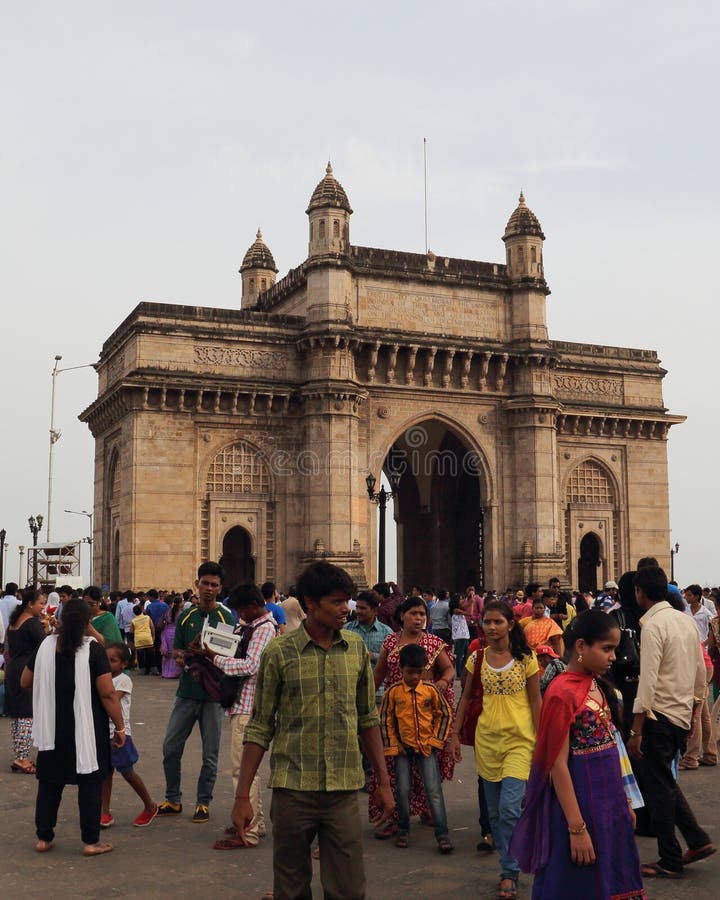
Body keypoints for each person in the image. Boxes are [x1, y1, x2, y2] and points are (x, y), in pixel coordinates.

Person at [232, 562, 394, 900]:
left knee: (349, 889)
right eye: (336, 602)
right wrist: (242, 795)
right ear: (310, 603)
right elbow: (260, 726)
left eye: (347, 601)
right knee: (290, 888)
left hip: (343, 789)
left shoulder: (355, 652)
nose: (346, 609)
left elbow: (367, 719)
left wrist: (383, 781)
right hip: (293, 789)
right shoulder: (279, 653)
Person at [510, 610, 645, 899]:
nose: (612, 657)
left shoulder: (595, 683)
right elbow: (556, 765)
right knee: (578, 879)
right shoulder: (561, 693)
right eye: (606, 649)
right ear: (581, 647)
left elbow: (613, 749)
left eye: (614, 649)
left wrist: (624, 802)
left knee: (609, 875)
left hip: (608, 798)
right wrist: (576, 828)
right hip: (580, 801)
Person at [627, 565, 715, 879]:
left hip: (657, 716)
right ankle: (698, 839)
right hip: (679, 715)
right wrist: (693, 712)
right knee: (665, 781)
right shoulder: (686, 621)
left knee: (657, 789)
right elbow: (701, 672)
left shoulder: (652, 626)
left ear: (640, 592)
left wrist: (636, 729)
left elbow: (647, 683)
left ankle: (670, 859)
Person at [450, 600, 541, 900]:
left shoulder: (527, 658)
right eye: (487, 622)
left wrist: (543, 739)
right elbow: (464, 699)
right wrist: (453, 735)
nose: (491, 627)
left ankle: (510, 870)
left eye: (497, 622)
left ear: (510, 625)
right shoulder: (476, 658)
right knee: (495, 813)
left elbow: (535, 702)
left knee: (509, 809)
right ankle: (511, 861)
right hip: (487, 740)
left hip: (520, 739)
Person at [22, 597, 125, 856]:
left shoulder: (46, 647)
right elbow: (108, 693)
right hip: (87, 728)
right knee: (90, 782)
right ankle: (91, 841)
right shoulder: (93, 650)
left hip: (53, 727)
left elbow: (25, 681)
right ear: (87, 622)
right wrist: (120, 726)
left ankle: (43, 838)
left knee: (49, 783)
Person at [197, 583, 276, 851]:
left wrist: (215, 658)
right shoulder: (253, 627)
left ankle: (249, 831)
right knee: (247, 772)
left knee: (243, 772)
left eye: (241, 610)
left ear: (252, 606)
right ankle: (256, 822)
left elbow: (251, 666)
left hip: (249, 708)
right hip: (242, 706)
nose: (240, 615)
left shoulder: (264, 629)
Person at [371, 595, 455, 838]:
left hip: (425, 715)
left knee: (427, 769)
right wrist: (366, 704)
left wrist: (442, 682)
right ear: (401, 616)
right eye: (413, 614)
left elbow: (449, 668)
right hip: (396, 714)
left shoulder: (433, 642)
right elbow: (379, 674)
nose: (418, 619)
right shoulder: (390, 642)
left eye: (422, 615)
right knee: (396, 770)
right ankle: (396, 817)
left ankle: (429, 809)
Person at [158, 561, 234, 823]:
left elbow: (228, 656)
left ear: (220, 588)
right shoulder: (186, 617)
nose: (209, 589)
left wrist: (208, 655)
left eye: (214, 585)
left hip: (212, 696)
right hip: (187, 692)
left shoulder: (226, 618)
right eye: (205, 584)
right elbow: (176, 652)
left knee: (210, 755)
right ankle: (173, 798)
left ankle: (203, 802)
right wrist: (184, 656)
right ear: (197, 584)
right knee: (170, 748)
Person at [379, 643, 453, 853]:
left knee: (434, 791)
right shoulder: (393, 692)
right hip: (402, 749)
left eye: (419, 672)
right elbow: (385, 720)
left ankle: (442, 833)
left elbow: (444, 715)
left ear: (425, 670)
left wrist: (436, 741)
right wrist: (394, 745)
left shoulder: (430, 690)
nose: (414, 677)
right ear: (401, 668)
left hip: (427, 747)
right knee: (402, 790)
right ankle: (403, 829)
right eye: (410, 672)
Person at [100, 643, 158, 827]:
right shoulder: (104, 678)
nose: (108, 664)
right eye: (106, 659)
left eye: (113, 660)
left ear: (124, 664)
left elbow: (112, 699)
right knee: (105, 773)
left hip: (119, 733)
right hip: (103, 732)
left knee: (127, 772)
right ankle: (104, 812)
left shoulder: (123, 680)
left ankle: (150, 805)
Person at [5, 588, 47, 774]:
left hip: (13, 668)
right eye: (40, 603)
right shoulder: (32, 623)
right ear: (30, 604)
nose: (43, 607)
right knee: (26, 715)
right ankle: (22, 758)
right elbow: (44, 645)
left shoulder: (15, 621)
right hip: (26, 670)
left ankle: (19, 755)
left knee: (17, 716)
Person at [145, 589, 169, 674]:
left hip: (153, 630)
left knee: (154, 649)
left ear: (151, 597)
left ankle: (155, 667)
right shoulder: (165, 605)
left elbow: (147, 619)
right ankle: (163, 668)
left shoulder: (149, 607)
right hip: (164, 630)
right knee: (163, 649)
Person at [160, 594, 184, 678]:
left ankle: (166, 673)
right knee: (175, 652)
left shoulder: (168, 612)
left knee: (168, 653)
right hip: (176, 633)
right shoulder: (181, 613)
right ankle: (175, 672)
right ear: (180, 603)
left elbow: (164, 621)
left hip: (167, 633)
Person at [130, 603, 156, 675]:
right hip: (148, 638)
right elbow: (152, 628)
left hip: (139, 640)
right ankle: (152, 669)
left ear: (134, 612)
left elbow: (131, 631)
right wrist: (153, 637)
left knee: (140, 655)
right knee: (150, 654)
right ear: (141, 610)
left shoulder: (133, 620)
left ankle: (142, 670)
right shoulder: (147, 617)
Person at [450, 594, 471, 677]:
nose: (462, 601)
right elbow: (470, 613)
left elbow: (466, 605)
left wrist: (469, 599)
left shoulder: (459, 609)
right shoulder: (456, 610)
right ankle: (459, 673)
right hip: (460, 635)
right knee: (460, 655)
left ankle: (462, 671)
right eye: (460, 599)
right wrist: (472, 602)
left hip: (464, 634)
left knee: (466, 654)